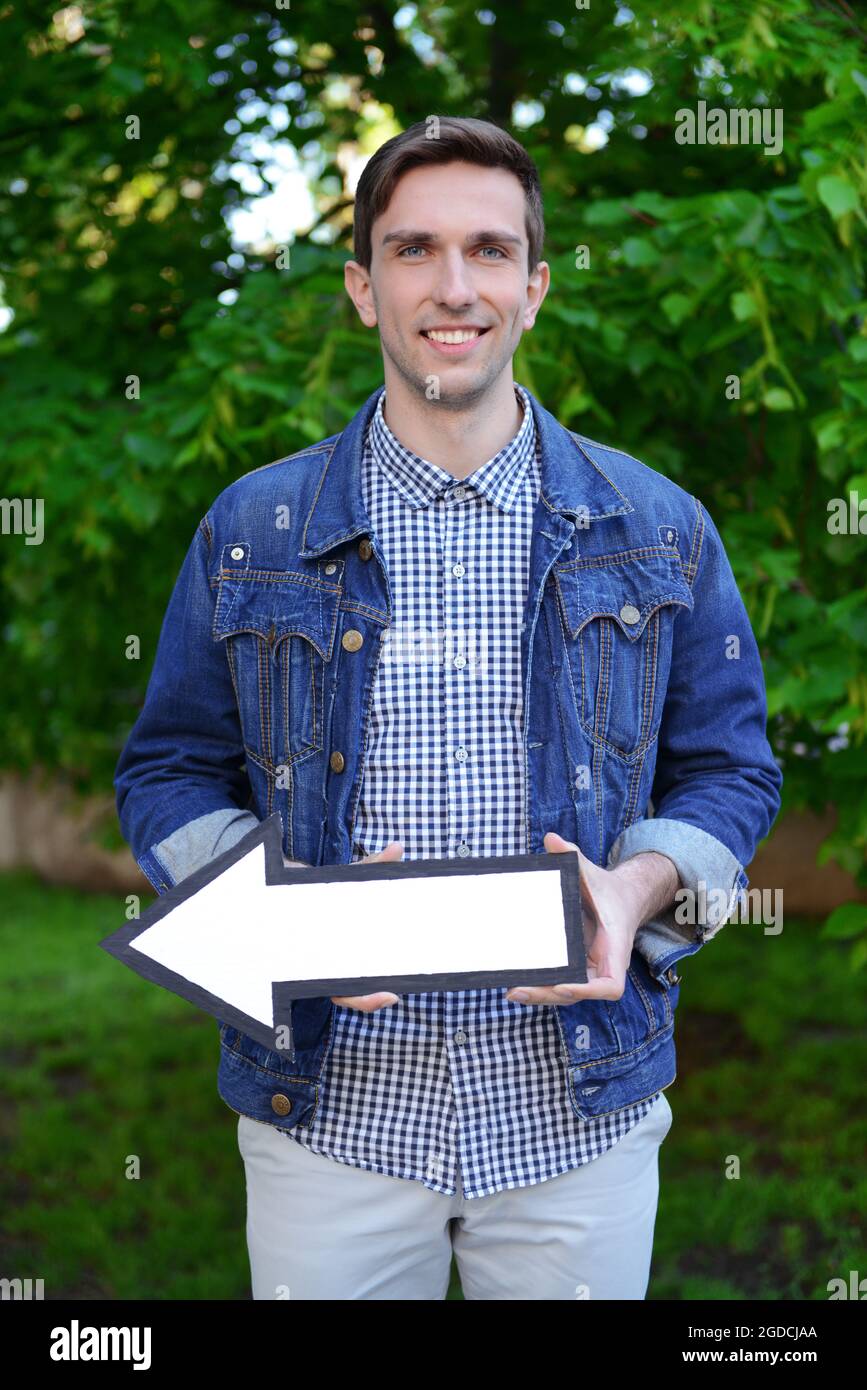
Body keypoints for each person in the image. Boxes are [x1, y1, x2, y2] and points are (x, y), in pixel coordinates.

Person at [114, 116, 783, 1300]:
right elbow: (167, 770)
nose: (454, 286)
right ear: (364, 289)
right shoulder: (253, 528)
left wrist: (634, 891)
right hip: (331, 1115)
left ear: (534, 283)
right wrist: (278, 914)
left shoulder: (659, 524)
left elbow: (731, 767)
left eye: (488, 249)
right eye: (415, 250)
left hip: (574, 1118)